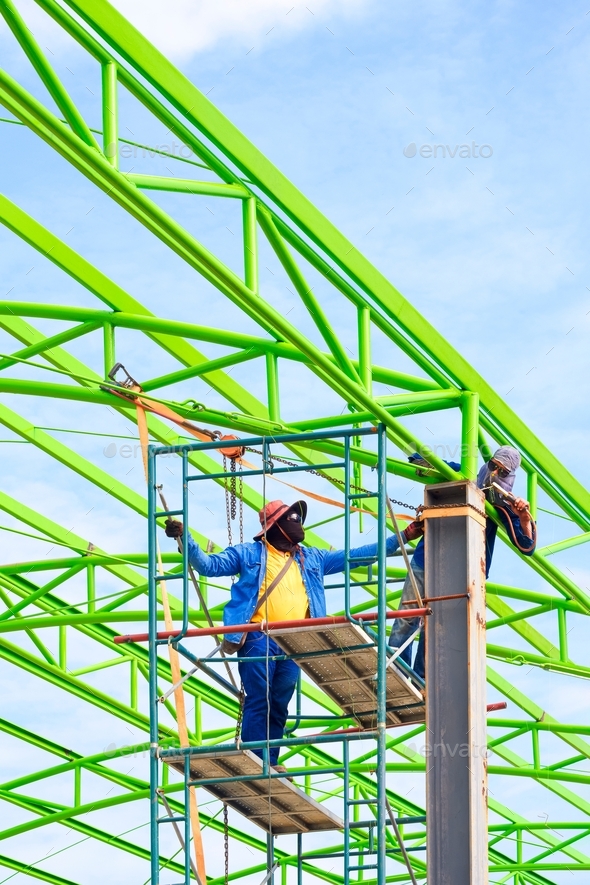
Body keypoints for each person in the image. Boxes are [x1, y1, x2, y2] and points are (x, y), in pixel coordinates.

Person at [165, 499, 423, 772]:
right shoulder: (249, 553)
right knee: (260, 698)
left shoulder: (311, 558)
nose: (297, 523)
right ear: (275, 526)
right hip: (258, 637)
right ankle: (257, 760)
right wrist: (185, 539)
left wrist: (404, 535)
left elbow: (357, 556)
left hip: (295, 642)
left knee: (279, 703)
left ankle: (270, 762)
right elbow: (208, 565)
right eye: (291, 519)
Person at [389, 446, 536, 679]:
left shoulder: (504, 506)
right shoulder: (462, 475)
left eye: (502, 471)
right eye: (493, 466)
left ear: (510, 477)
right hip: (428, 556)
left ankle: (419, 681)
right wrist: (423, 462)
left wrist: (524, 518)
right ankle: (395, 672)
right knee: (407, 615)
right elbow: (426, 463)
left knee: (434, 628)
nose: (494, 473)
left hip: (462, 571)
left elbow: (527, 545)